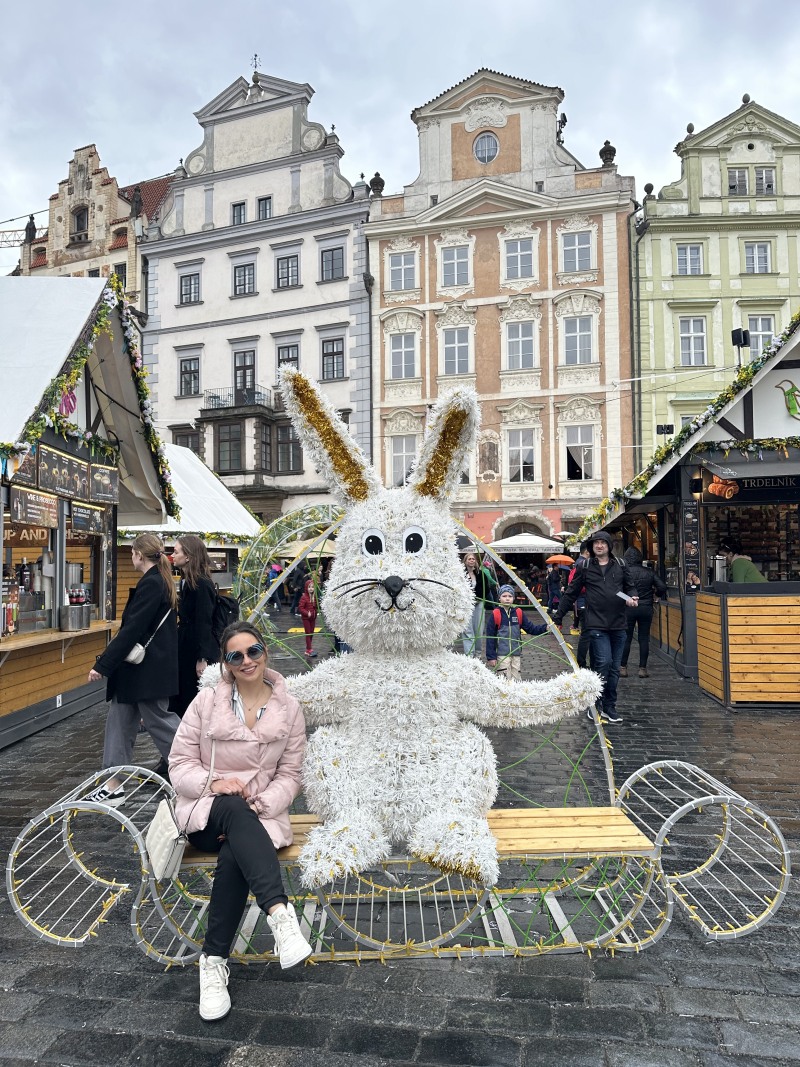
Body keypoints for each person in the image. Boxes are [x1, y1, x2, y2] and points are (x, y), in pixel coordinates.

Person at [169, 620, 312, 1021]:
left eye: (253, 651)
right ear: (226, 663)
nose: (247, 661)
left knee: (237, 848)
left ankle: (212, 962)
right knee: (231, 806)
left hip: (259, 816)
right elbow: (178, 765)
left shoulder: (289, 709)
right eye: (236, 655)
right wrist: (216, 781)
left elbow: (291, 774)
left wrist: (265, 801)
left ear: (265, 652)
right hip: (204, 812)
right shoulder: (205, 704)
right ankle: (280, 916)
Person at [87, 534, 180, 803]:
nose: (131, 557)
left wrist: (104, 664)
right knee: (120, 722)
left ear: (139, 554)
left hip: (145, 671)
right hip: (140, 671)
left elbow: (132, 629)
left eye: (132, 553)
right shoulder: (158, 581)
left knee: (159, 722)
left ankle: (193, 768)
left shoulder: (152, 584)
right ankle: (114, 783)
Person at [553, 531, 638, 725]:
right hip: (596, 623)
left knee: (615, 668)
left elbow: (630, 587)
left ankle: (610, 707)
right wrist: (557, 617)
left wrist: (633, 597)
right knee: (603, 663)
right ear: (592, 547)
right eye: (596, 543)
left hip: (618, 624)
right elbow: (571, 593)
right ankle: (596, 703)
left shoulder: (620, 566)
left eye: (602, 543)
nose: (599, 546)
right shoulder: (584, 567)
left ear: (609, 545)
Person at [170, 535, 219, 719]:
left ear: (188, 556)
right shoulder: (190, 581)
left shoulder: (201, 584)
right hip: (186, 646)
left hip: (195, 650)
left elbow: (204, 622)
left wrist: (202, 657)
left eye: (176, 551)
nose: (172, 555)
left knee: (192, 699)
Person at [619, 547, 667, 678]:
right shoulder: (649, 572)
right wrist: (656, 596)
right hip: (646, 607)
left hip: (628, 608)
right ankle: (642, 669)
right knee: (644, 638)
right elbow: (662, 586)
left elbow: (617, 591)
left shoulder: (623, 572)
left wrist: (626, 599)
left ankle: (623, 668)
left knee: (626, 638)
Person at [485, 585, 547, 681]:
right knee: (504, 678)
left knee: (516, 679)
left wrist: (545, 628)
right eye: (504, 596)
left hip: (516, 653)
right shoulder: (496, 614)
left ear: (513, 598)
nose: (507, 599)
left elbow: (531, 628)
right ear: (499, 598)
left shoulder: (518, 612)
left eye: (510, 596)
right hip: (502, 654)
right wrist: (491, 657)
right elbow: (490, 637)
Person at [460, 552, 496, 657]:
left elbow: (487, 589)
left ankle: (478, 653)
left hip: (479, 603)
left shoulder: (480, 574)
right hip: (466, 605)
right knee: (467, 629)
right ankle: (469, 654)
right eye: (469, 559)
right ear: (465, 561)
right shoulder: (461, 574)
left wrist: (480, 597)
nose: (471, 560)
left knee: (478, 629)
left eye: (473, 559)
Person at [566, 541, 592, 669]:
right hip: (584, 602)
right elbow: (576, 587)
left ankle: (584, 662)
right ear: (587, 551)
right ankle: (582, 663)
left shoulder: (578, 563)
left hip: (581, 602)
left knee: (587, 633)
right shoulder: (582, 564)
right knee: (586, 634)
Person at [298, 573, 318, 657]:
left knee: (312, 632)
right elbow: (301, 608)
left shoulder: (314, 597)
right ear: (306, 588)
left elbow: (316, 607)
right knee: (308, 633)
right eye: (309, 587)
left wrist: (315, 612)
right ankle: (309, 649)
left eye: (312, 587)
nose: (311, 589)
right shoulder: (304, 597)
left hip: (313, 618)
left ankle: (308, 648)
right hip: (306, 618)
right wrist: (307, 613)